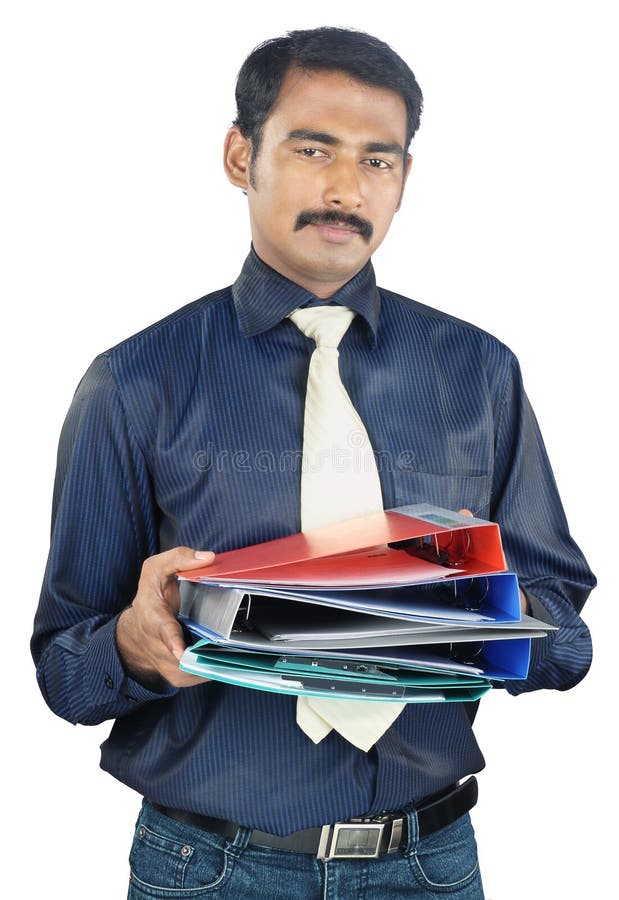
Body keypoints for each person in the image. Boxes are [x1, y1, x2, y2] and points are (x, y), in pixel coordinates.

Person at [32, 26, 595, 900]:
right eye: (312, 149)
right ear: (238, 156)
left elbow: (563, 632)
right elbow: (66, 671)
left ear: (406, 179)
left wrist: (481, 623)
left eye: (378, 160)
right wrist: (133, 648)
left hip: (430, 864)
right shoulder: (133, 385)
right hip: (209, 870)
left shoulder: (479, 372)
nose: (344, 189)